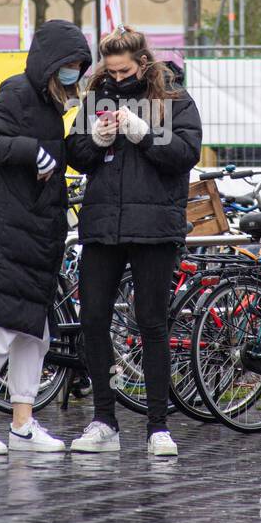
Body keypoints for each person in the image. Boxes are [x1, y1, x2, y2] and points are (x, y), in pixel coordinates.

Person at [0, 19, 92, 455]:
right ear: (49, 63)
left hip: (39, 235)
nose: (73, 72)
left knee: (34, 334)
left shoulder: (52, 104)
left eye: (78, 65)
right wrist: (31, 151)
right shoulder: (16, 91)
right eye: (67, 64)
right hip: (7, 233)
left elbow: (57, 156)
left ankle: (23, 424)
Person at [65, 28, 202, 457]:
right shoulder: (97, 98)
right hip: (103, 224)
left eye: (124, 69)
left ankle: (158, 426)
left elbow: (186, 153)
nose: (117, 76)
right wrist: (95, 140)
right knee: (93, 321)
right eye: (110, 69)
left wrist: (145, 134)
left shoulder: (174, 99)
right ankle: (104, 420)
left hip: (155, 226)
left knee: (152, 323)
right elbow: (75, 152)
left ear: (142, 63)